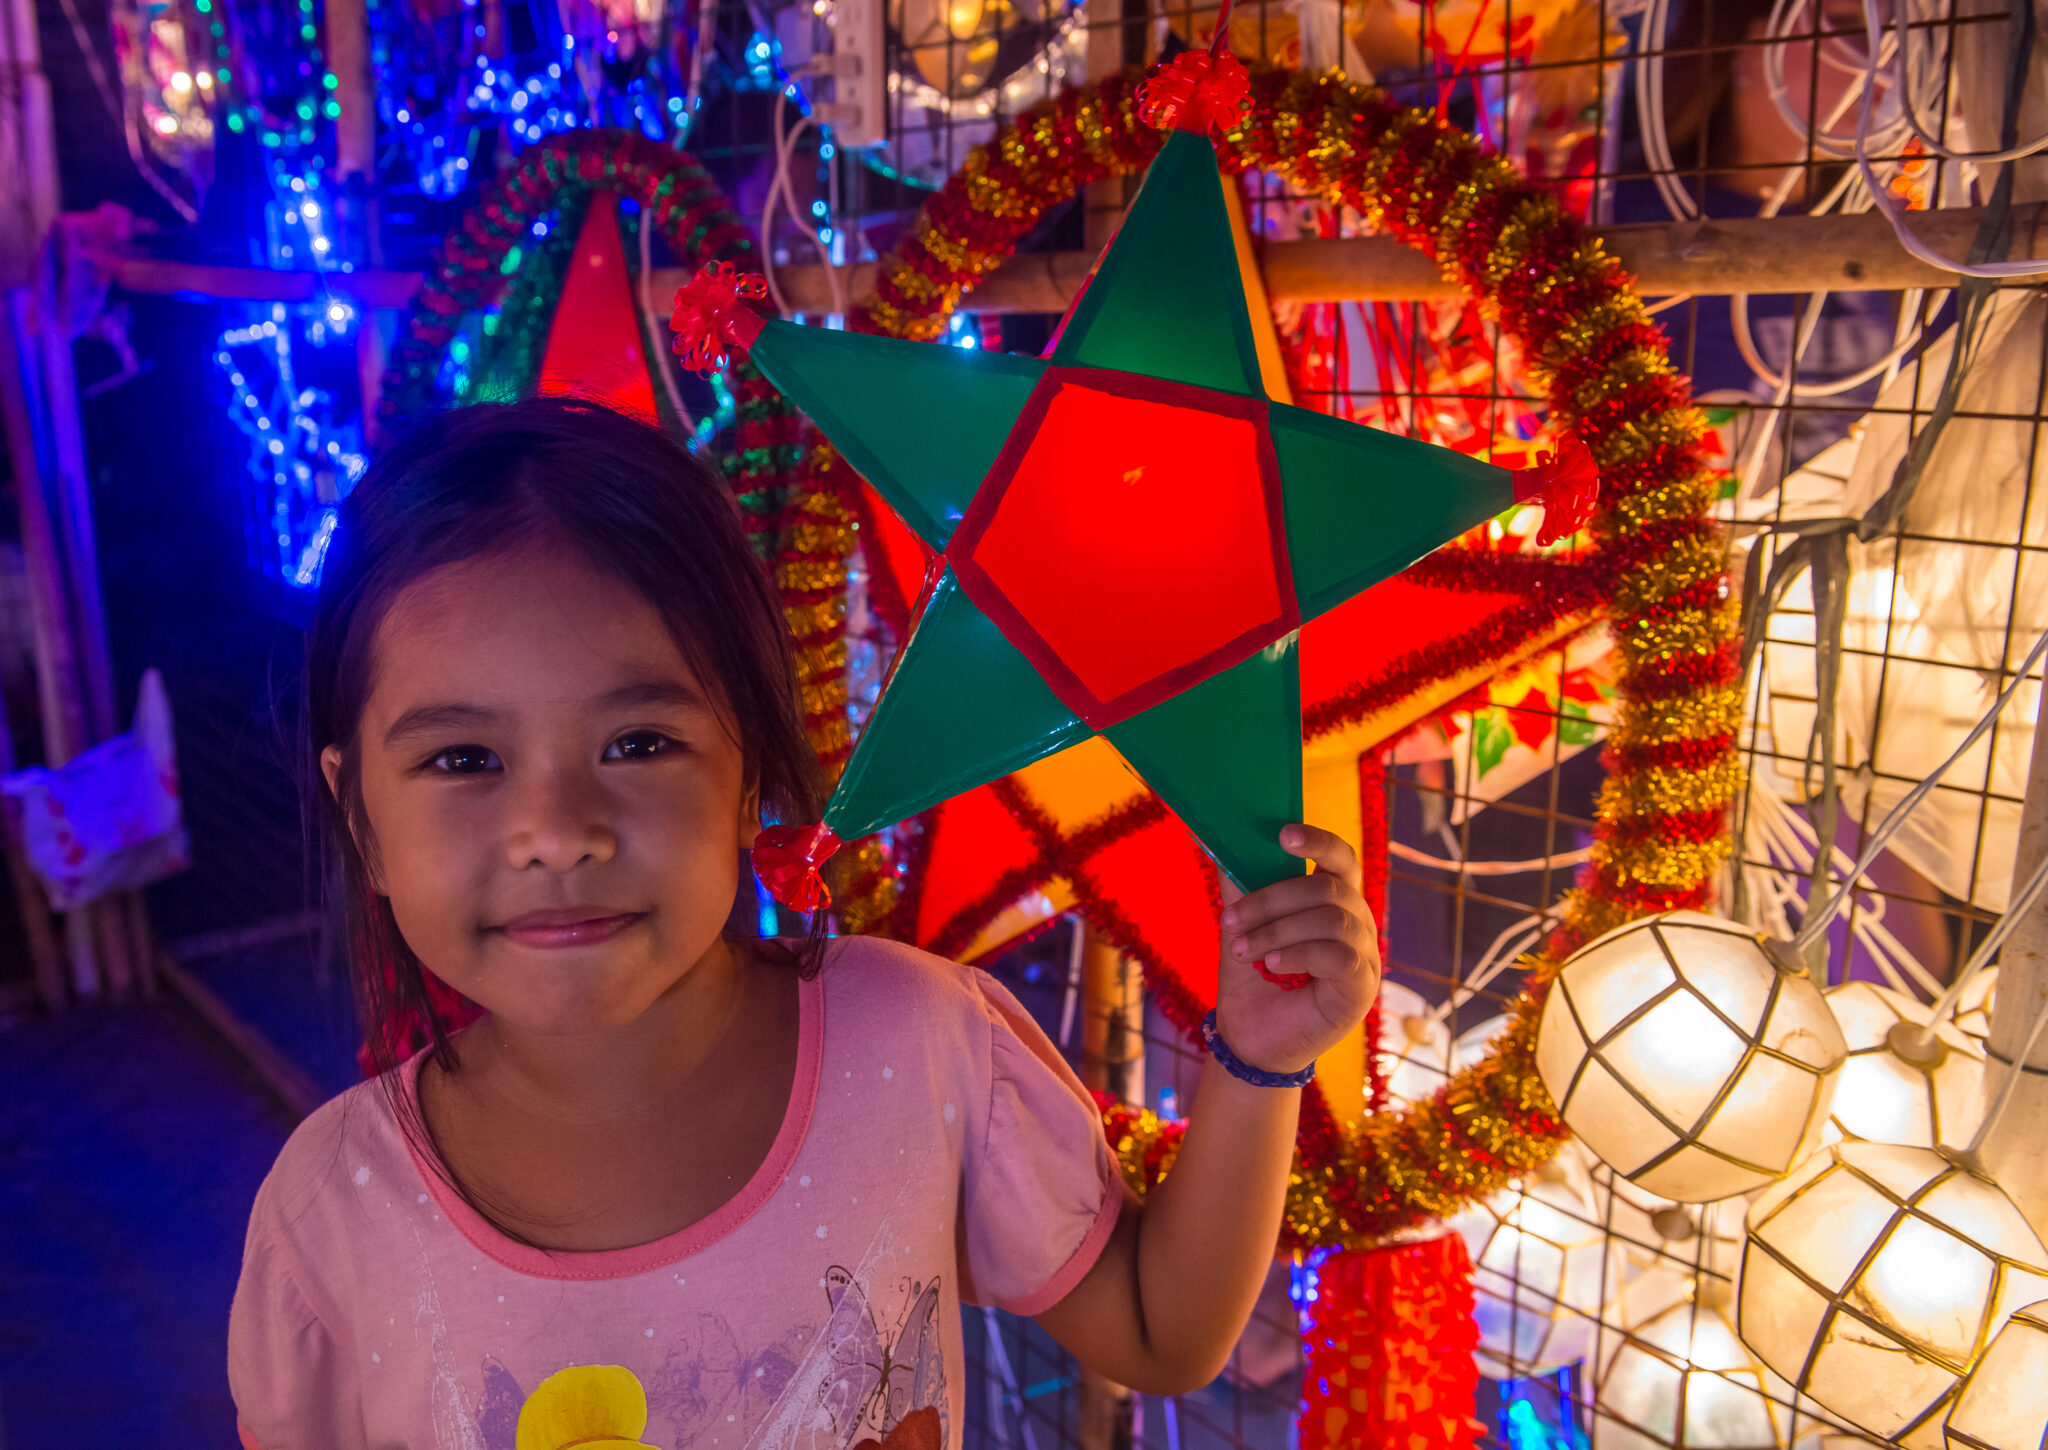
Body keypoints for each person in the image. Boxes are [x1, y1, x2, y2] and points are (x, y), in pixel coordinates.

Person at [228, 397, 1380, 1450]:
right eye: (463, 758)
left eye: (637, 744)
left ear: (745, 775)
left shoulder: (918, 1042)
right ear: (362, 815)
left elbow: (1156, 1327)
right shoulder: (330, 1212)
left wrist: (1256, 1059)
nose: (557, 830)